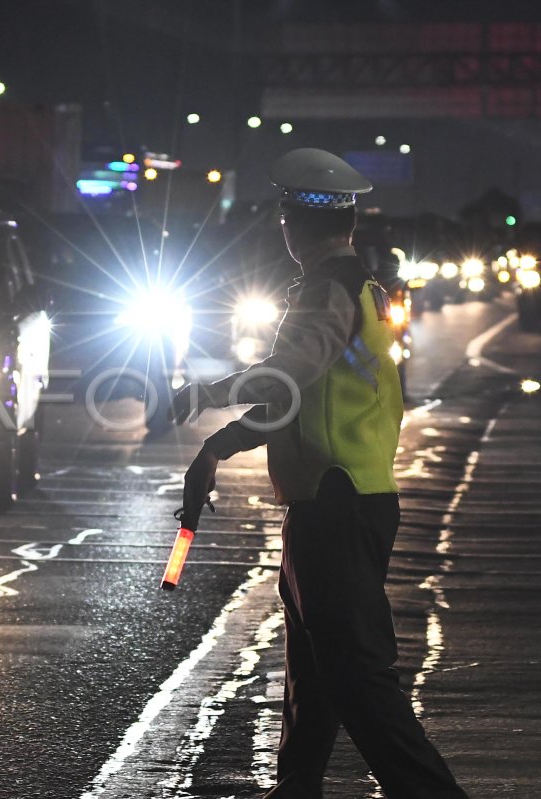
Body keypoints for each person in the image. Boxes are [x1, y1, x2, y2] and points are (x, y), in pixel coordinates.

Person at [169, 148, 469, 799]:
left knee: (358, 679)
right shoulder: (361, 287)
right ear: (349, 221)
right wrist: (218, 446)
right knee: (311, 672)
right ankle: (295, 790)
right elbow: (300, 402)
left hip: (337, 502)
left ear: (289, 223)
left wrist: (204, 396)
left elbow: (288, 378)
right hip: (336, 498)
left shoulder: (327, 292)